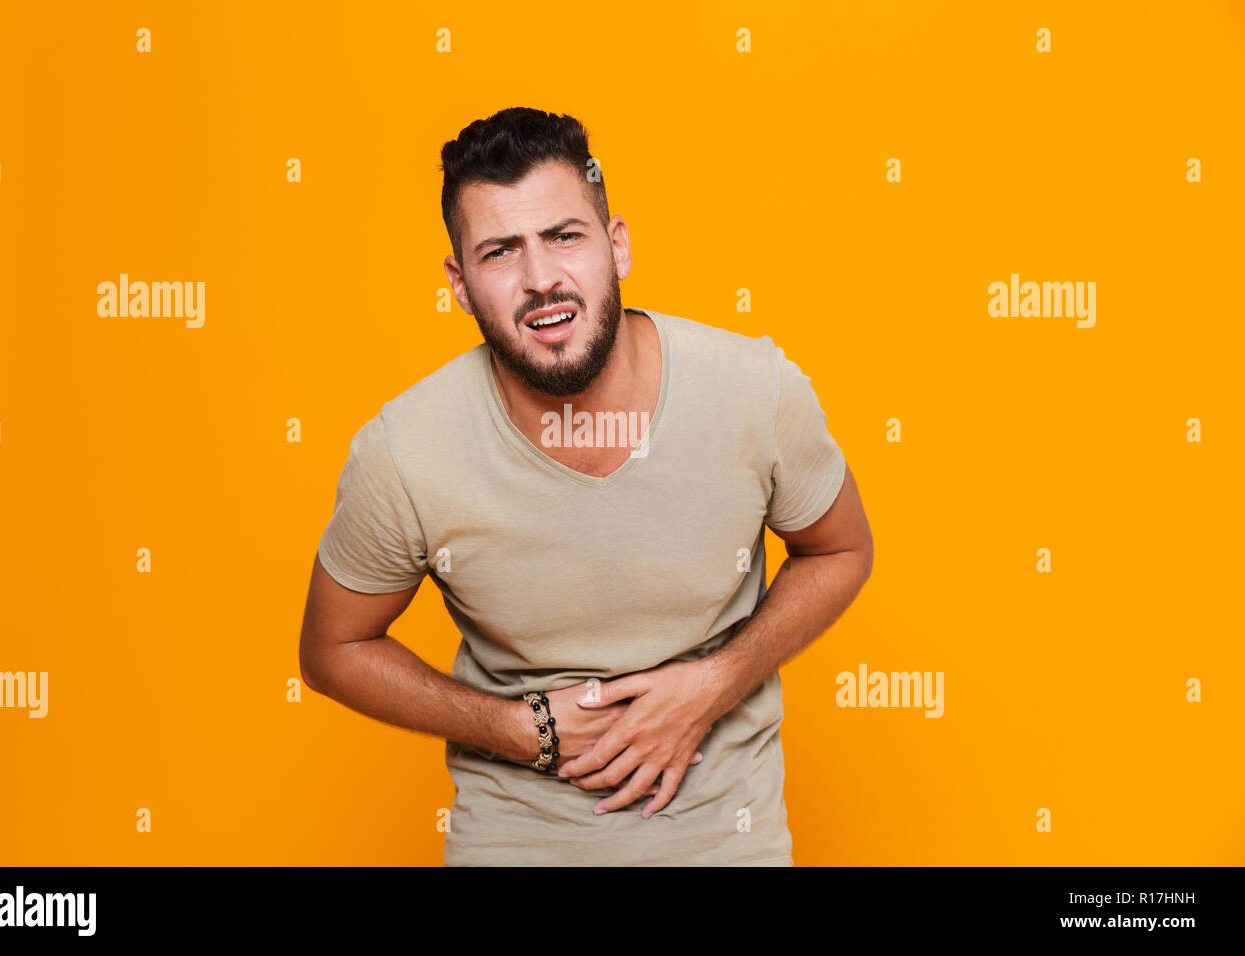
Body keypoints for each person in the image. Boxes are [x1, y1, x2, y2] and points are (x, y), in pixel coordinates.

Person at [298, 106, 874, 866]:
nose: (541, 280)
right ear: (460, 283)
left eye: (564, 236)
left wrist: (718, 682)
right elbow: (332, 647)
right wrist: (517, 728)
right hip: (516, 843)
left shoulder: (753, 390)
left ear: (617, 244)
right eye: (500, 251)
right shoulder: (405, 452)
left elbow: (839, 550)